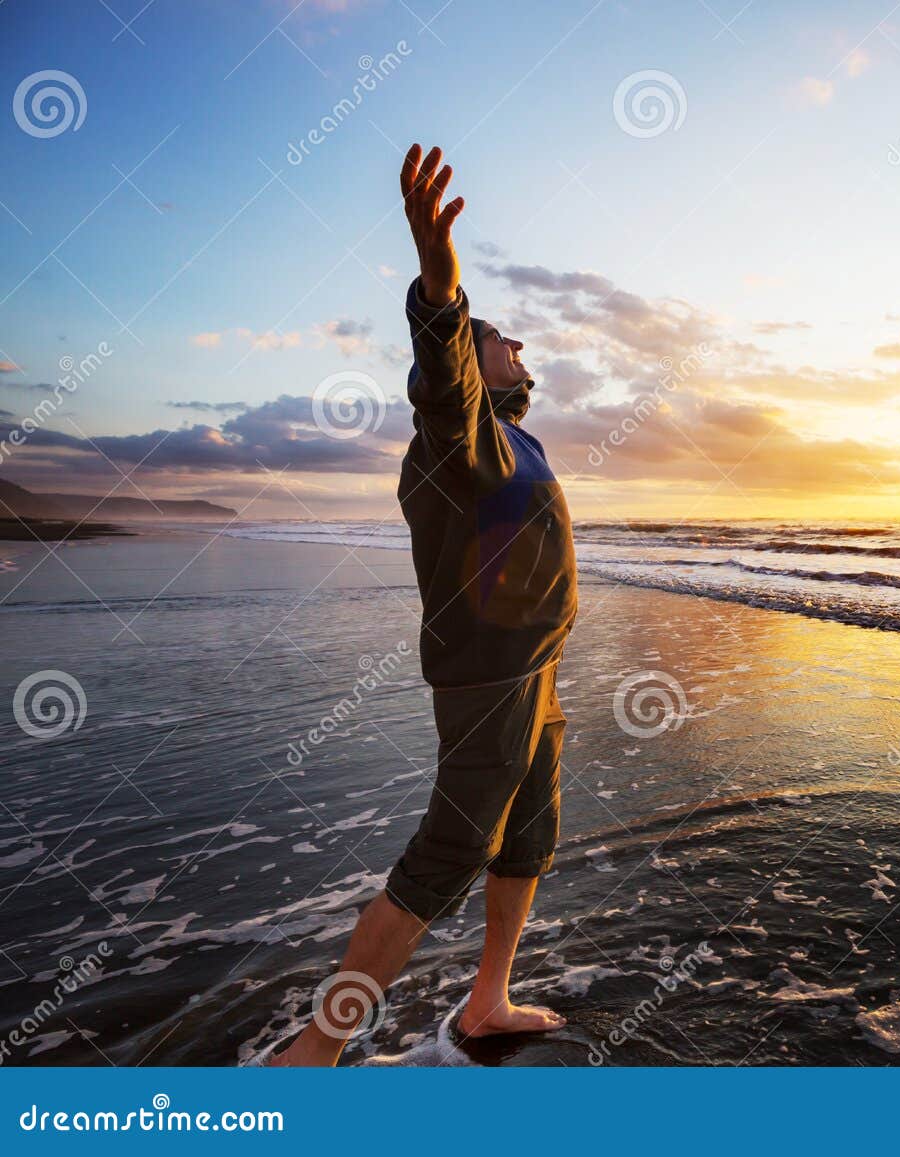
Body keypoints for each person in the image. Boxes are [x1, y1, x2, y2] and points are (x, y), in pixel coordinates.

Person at [271, 144, 579, 1066]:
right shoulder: (459, 439)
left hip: (538, 673)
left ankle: (488, 1001)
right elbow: (444, 364)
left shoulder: (516, 444)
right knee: (448, 854)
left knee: (529, 836)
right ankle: (310, 1060)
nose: (517, 346)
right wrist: (439, 275)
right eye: (501, 336)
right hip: (490, 679)